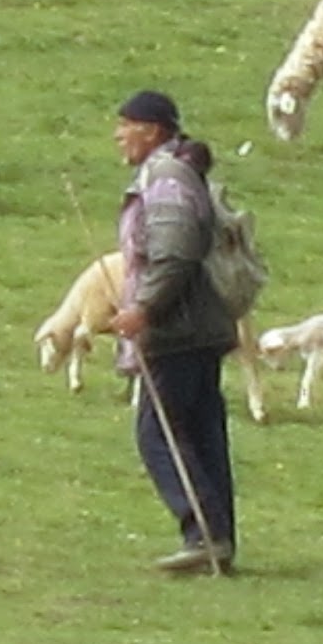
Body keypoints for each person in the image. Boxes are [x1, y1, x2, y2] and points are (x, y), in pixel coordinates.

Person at [111, 89, 239, 575]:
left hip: (178, 329)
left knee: (158, 433)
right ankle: (218, 541)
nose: (118, 136)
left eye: (125, 125)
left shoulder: (164, 180)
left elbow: (175, 250)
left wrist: (144, 308)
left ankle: (202, 532)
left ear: (151, 130)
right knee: (201, 433)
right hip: (201, 327)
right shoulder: (179, 174)